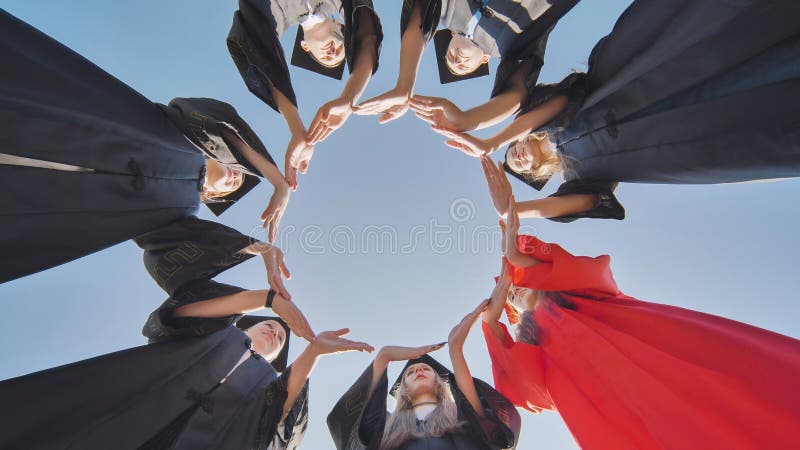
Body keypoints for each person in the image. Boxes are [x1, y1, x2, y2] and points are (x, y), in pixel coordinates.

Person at [0, 215, 373, 449]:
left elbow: (280, 423)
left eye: (279, 339)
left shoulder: (265, 386)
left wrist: (311, 354)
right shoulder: (212, 336)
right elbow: (181, 310)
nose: (276, 333)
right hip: (124, 420)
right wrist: (269, 300)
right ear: (248, 324)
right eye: (269, 327)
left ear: (277, 362)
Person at [434, 0, 800, 222]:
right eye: (521, 166)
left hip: (631, 72)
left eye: (512, 153)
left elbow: (561, 104)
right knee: (756, 110)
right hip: (670, 140)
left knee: (714, 32)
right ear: (536, 172)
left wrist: (493, 139)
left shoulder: (545, 113)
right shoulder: (576, 176)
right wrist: (513, 209)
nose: (517, 157)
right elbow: (587, 202)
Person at [479, 197, 800, 449]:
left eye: (518, 284)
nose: (516, 292)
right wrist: (491, 321)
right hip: (621, 407)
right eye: (511, 297)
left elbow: (576, 269)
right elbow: (525, 392)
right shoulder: (537, 352)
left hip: (666, 357)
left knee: (739, 401)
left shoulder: (583, 295)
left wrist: (511, 242)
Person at [0, 11, 291, 283]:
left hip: (47, 202)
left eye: (233, 184)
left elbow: (181, 260)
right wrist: (277, 181)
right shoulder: (181, 132)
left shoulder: (181, 212)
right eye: (237, 168)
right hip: (57, 120)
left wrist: (257, 249)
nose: (235, 176)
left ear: (214, 196)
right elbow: (221, 124)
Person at [227, 0, 384, 188]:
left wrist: (296, 128)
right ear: (340, 25)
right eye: (341, 49)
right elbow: (366, 32)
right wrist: (349, 98)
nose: (333, 53)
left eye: (326, 58)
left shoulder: (274, 18)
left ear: (305, 47)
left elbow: (260, 55)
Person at [355, 0, 579, 130]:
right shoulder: (509, 49)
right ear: (484, 59)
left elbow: (419, 17)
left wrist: (404, 85)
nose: (455, 60)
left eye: (449, 57)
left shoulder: (448, 11)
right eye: (462, 66)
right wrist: (467, 120)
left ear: (451, 35)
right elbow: (517, 92)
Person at [327, 301, 520, 450]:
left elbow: (482, 418)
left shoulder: (457, 414)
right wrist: (383, 357)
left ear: (440, 381)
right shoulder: (388, 424)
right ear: (403, 389)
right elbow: (357, 430)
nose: (419, 370)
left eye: (426, 369)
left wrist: (456, 350)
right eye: (410, 372)